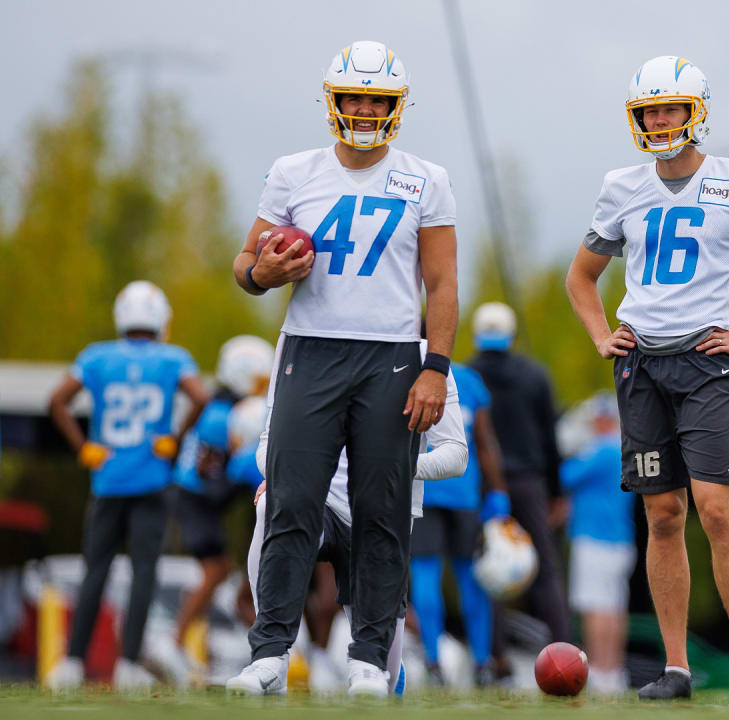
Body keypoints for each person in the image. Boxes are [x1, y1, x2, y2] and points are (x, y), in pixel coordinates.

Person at [564, 55, 729, 703]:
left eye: (669, 108)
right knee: (662, 512)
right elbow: (580, 277)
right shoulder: (623, 185)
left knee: (717, 509)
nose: (659, 121)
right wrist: (600, 336)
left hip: (708, 363)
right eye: (649, 111)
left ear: (695, 112)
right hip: (641, 363)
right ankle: (674, 668)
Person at [228, 40, 458, 696]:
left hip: (390, 355)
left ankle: (368, 658)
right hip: (311, 347)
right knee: (289, 501)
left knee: (381, 510)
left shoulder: (426, 178)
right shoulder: (294, 172)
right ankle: (270, 653)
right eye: (352, 96)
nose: (362, 108)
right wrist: (263, 273)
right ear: (332, 102)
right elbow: (246, 266)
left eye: (376, 99)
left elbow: (441, 285)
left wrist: (435, 367)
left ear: (397, 106)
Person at [233, 344, 468, 696]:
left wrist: (400, 471)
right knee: (269, 503)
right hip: (317, 504)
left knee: (381, 682)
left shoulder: (421, 358)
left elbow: (456, 454)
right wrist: (287, 475)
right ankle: (271, 658)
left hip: (381, 515)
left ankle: (383, 671)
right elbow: (268, 445)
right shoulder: (307, 342)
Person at [45, 281, 210, 690]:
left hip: (107, 480)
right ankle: (129, 663)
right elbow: (201, 398)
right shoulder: (174, 359)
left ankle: (72, 661)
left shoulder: (97, 357)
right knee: (143, 572)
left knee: (94, 571)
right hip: (152, 480)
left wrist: (83, 447)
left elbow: (57, 401)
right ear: (159, 318)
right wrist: (174, 436)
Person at [160, 335, 274, 685]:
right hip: (194, 498)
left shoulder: (227, 409)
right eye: (257, 380)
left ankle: (262, 651)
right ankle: (174, 642)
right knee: (216, 569)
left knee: (230, 571)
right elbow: (209, 476)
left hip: (201, 498)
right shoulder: (220, 415)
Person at [467, 302, 572, 648]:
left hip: (484, 485)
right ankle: (563, 648)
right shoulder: (535, 374)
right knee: (545, 569)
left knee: (486, 570)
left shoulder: (466, 376)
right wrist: (557, 492)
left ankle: (494, 659)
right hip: (529, 483)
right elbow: (550, 438)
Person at [409, 361, 510, 687]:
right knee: (472, 579)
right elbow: (485, 441)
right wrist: (497, 491)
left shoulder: (405, 373)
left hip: (423, 488)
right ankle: (482, 664)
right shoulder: (468, 379)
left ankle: (433, 663)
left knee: (426, 576)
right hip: (464, 489)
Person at [559, 393, 635, 695]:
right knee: (614, 609)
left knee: (596, 609)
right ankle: (614, 672)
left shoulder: (602, 450)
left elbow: (564, 476)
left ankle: (601, 674)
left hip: (595, 538)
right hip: (619, 539)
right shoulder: (622, 448)